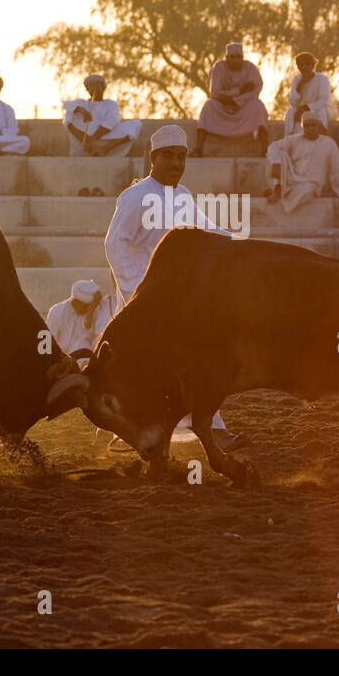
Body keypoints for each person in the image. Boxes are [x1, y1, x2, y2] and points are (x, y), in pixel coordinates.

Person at [103, 124, 239, 449]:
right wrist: (137, 291)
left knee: (191, 359)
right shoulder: (134, 196)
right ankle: (123, 434)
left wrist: (238, 241)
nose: (176, 163)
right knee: (142, 366)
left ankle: (211, 427)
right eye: (169, 156)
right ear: (154, 158)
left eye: (181, 157)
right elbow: (115, 243)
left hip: (173, 297)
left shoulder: (183, 195)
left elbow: (202, 229)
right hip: (141, 297)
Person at [265, 109, 339, 213]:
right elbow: (273, 146)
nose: (310, 129)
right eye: (306, 126)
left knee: (306, 192)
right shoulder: (295, 139)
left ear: (320, 126)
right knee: (280, 153)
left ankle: (281, 193)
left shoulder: (329, 144)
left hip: (311, 183)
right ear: (302, 127)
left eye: (313, 125)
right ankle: (277, 190)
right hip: (291, 179)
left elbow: (336, 168)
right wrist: (276, 163)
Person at [195, 42, 268, 156]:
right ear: (227, 58)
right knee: (209, 105)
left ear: (242, 58)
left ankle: (265, 150)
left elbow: (255, 90)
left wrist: (237, 100)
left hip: (244, 107)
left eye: (238, 57)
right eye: (232, 57)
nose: (235, 60)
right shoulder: (219, 67)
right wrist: (238, 91)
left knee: (258, 105)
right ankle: (198, 149)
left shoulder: (251, 68)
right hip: (223, 106)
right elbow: (215, 93)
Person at [63, 74, 141, 156]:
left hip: (104, 139)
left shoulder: (111, 104)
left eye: (97, 84)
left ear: (103, 87)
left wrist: (93, 140)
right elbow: (66, 105)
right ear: (87, 89)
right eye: (91, 85)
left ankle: (103, 149)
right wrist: (82, 110)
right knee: (69, 114)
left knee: (136, 123)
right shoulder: (81, 103)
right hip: (83, 140)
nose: (95, 88)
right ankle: (88, 145)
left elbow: (111, 122)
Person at [46, 279, 116, 366]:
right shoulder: (57, 311)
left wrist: (91, 310)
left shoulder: (92, 312)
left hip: (81, 356)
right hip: (59, 357)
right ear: (75, 301)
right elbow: (48, 341)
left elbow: (87, 336)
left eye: (90, 306)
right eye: (86, 306)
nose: (88, 309)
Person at [284, 53, 333, 138]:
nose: (304, 67)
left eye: (307, 64)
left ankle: (320, 138)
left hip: (320, 108)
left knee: (322, 112)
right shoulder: (297, 79)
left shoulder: (322, 79)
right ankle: (291, 139)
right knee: (290, 111)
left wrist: (307, 107)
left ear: (313, 65)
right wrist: (300, 86)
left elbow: (324, 100)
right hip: (301, 110)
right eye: (301, 65)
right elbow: (293, 102)